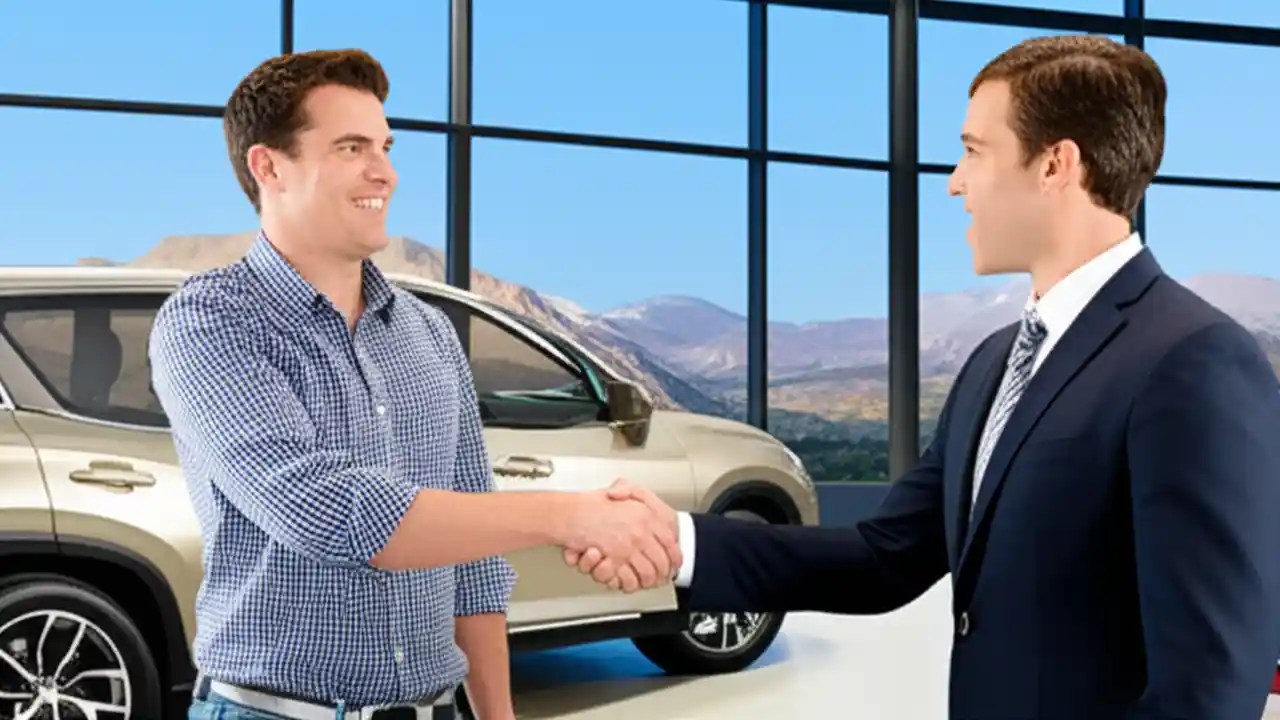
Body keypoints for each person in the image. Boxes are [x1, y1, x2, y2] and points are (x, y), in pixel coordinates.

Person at [570, 35, 1280, 719]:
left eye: (974, 151)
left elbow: (1211, 685)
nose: (954, 183)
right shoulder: (994, 362)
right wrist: (680, 542)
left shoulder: (1194, 361)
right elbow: (885, 557)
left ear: (1055, 164)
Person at [148, 49, 681, 720]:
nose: (385, 173)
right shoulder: (211, 322)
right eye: (351, 147)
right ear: (269, 167)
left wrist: (497, 715)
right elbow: (323, 510)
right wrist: (566, 514)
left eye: (385, 146)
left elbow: (475, 567)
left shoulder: (428, 334)